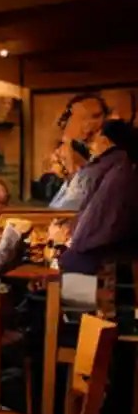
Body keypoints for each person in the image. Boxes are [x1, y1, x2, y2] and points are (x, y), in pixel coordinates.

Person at [58, 119, 138, 307]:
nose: (92, 145)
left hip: (104, 244)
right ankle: (117, 319)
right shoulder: (124, 164)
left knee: (73, 261)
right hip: (123, 244)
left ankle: (78, 319)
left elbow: (75, 205)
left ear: (107, 141)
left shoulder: (111, 164)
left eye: (96, 138)